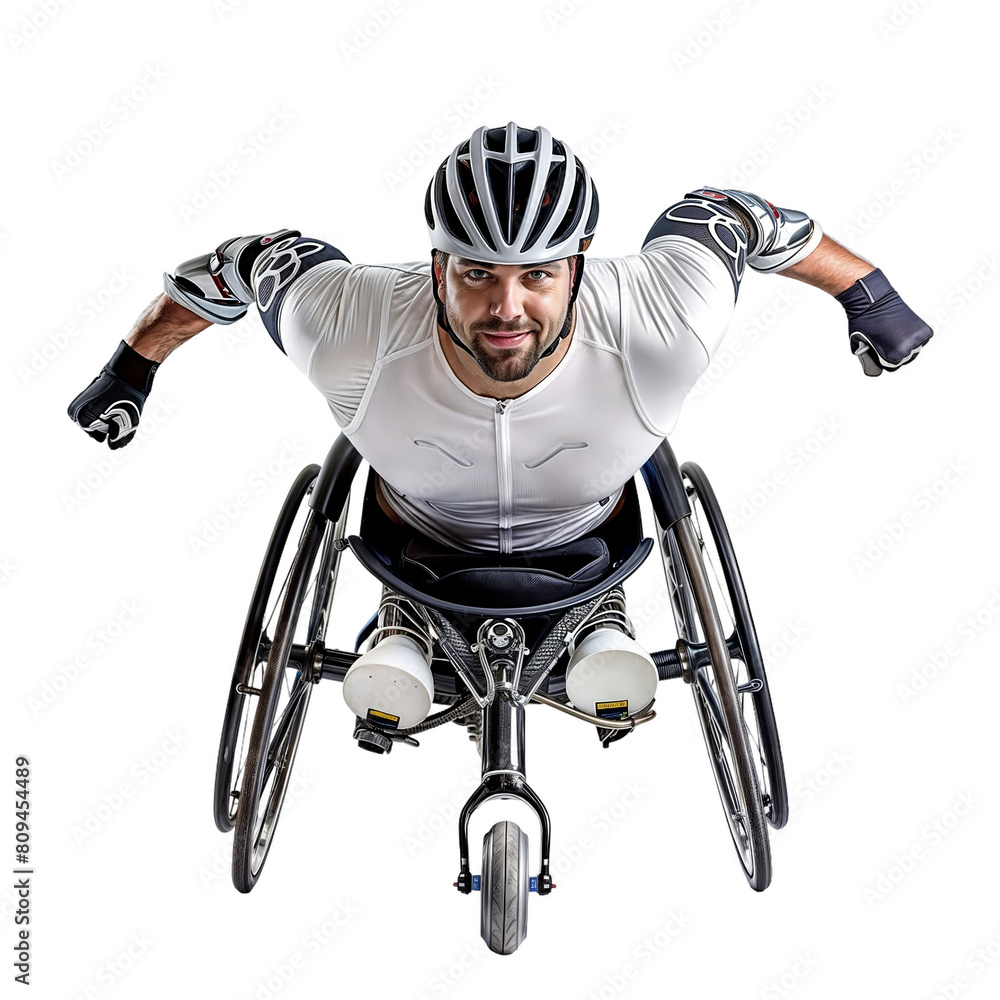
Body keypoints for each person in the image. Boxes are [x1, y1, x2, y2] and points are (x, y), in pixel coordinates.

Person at [67, 122, 932, 728]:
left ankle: (598, 622)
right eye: (477, 274)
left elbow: (733, 218)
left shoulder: (659, 321)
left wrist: (870, 293)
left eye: (538, 276)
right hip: (416, 551)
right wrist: (130, 367)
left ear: (580, 269)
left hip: (589, 547)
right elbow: (244, 265)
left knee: (596, 628)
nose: (506, 307)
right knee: (404, 643)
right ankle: (405, 625)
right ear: (436, 265)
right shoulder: (355, 323)